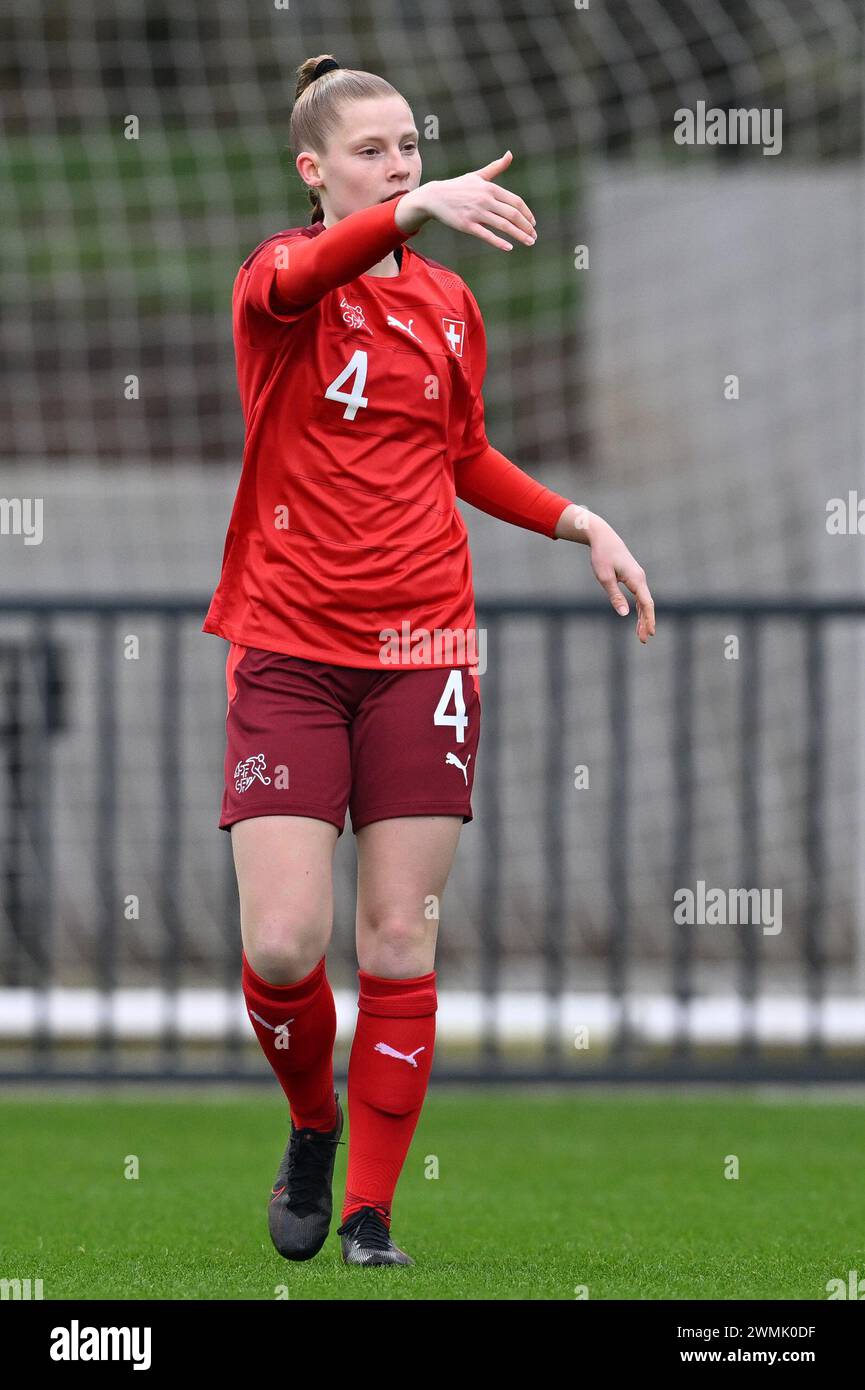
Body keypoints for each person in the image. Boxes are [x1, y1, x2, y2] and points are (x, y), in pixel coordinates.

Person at [202, 54, 656, 1268]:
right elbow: (306, 268)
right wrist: (410, 211)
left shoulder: (451, 304)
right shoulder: (275, 280)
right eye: (372, 151)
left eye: (408, 145)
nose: (399, 164)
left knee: (399, 938)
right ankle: (310, 1120)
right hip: (292, 645)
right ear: (314, 169)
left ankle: (369, 1213)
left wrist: (580, 523)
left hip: (425, 647)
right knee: (289, 944)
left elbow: (461, 456)